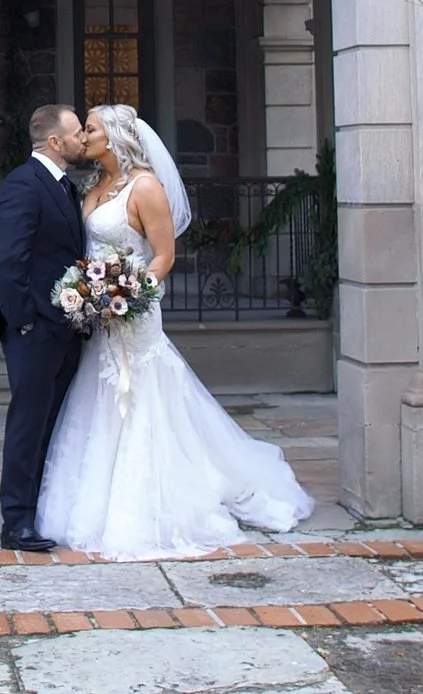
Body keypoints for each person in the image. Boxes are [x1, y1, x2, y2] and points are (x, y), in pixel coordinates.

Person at [35, 103, 316, 560]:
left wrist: (129, 294)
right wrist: (90, 294)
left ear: (116, 136)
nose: (83, 136)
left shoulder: (145, 187)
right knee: (101, 399)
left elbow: (163, 255)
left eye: (91, 128)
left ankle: (153, 503)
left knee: (143, 399)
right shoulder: (94, 184)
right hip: (102, 318)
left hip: (134, 313)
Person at [0, 102, 92, 553]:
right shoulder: (22, 186)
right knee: (29, 423)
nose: (82, 140)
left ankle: (41, 507)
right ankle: (16, 522)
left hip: (66, 328)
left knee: (53, 421)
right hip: (35, 331)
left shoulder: (63, 186)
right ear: (54, 141)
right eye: (75, 134)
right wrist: (26, 324)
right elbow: (11, 265)